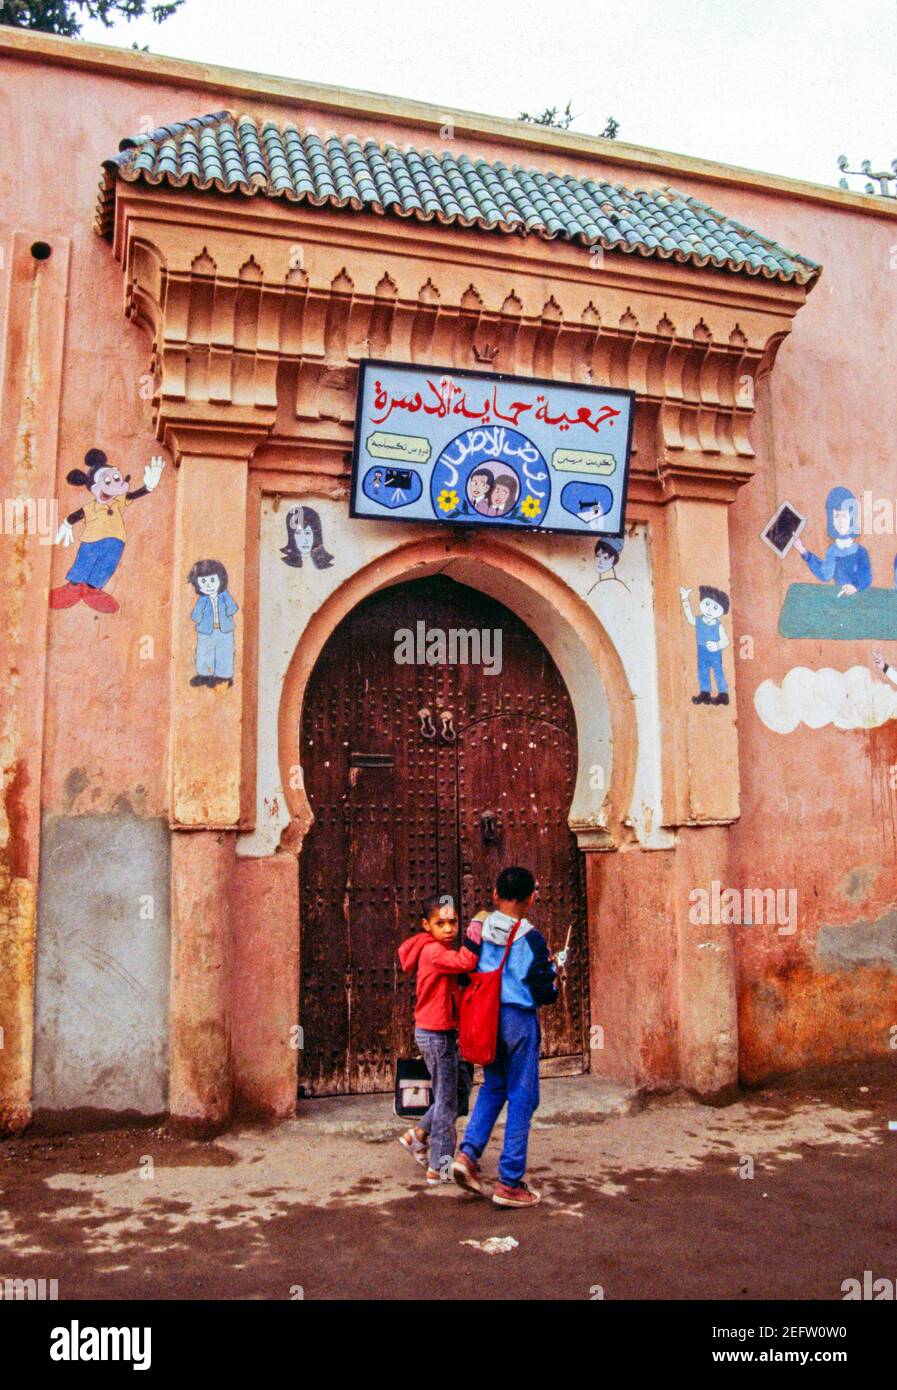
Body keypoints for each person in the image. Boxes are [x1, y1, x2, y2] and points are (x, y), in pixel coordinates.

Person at [452, 866, 557, 1208]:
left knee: (494, 1085)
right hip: (516, 1021)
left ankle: (467, 1155)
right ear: (531, 899)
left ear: (496, 895)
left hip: (485, 1018)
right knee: (523, 1097)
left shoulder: (478, 927)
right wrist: (555, 972)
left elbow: (465, 970)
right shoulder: (532, 939)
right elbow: (544, 992)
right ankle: (509, 1182)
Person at [397, 896, 477, 1185]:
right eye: (440, 923)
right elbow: (466, 961)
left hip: (438, 1033)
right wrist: (477, 934)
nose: (448, 928)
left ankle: (416, 1135)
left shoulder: (436, 949)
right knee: (446, 1100)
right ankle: (439, 1165)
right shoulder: (434, 952)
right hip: (436, 1035)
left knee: (456, 1090)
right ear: (426, 925)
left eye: (452, 922)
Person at [792, 486, 872, 596]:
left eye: (844, 515)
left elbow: (866, 577)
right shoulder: (833, 550)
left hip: (860, 600)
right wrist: (804, 552)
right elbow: (825, 574)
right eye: (836, 516)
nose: (840, 521)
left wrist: (855, 587)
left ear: (852, 519)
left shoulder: (860, 551)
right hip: (839, 601)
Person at [679, 584, 730, 705]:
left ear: (722, 611)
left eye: (715, 607)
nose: (709, 609)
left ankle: (723, 694)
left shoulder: (718, 625)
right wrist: (685, 599)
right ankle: (705, 693)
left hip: (714, 652)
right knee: (702, 671)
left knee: (718, 671)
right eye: (707, 604)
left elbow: (726, 641)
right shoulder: (699, 620)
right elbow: (689, 618)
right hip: (702, 650)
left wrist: (717, 645)